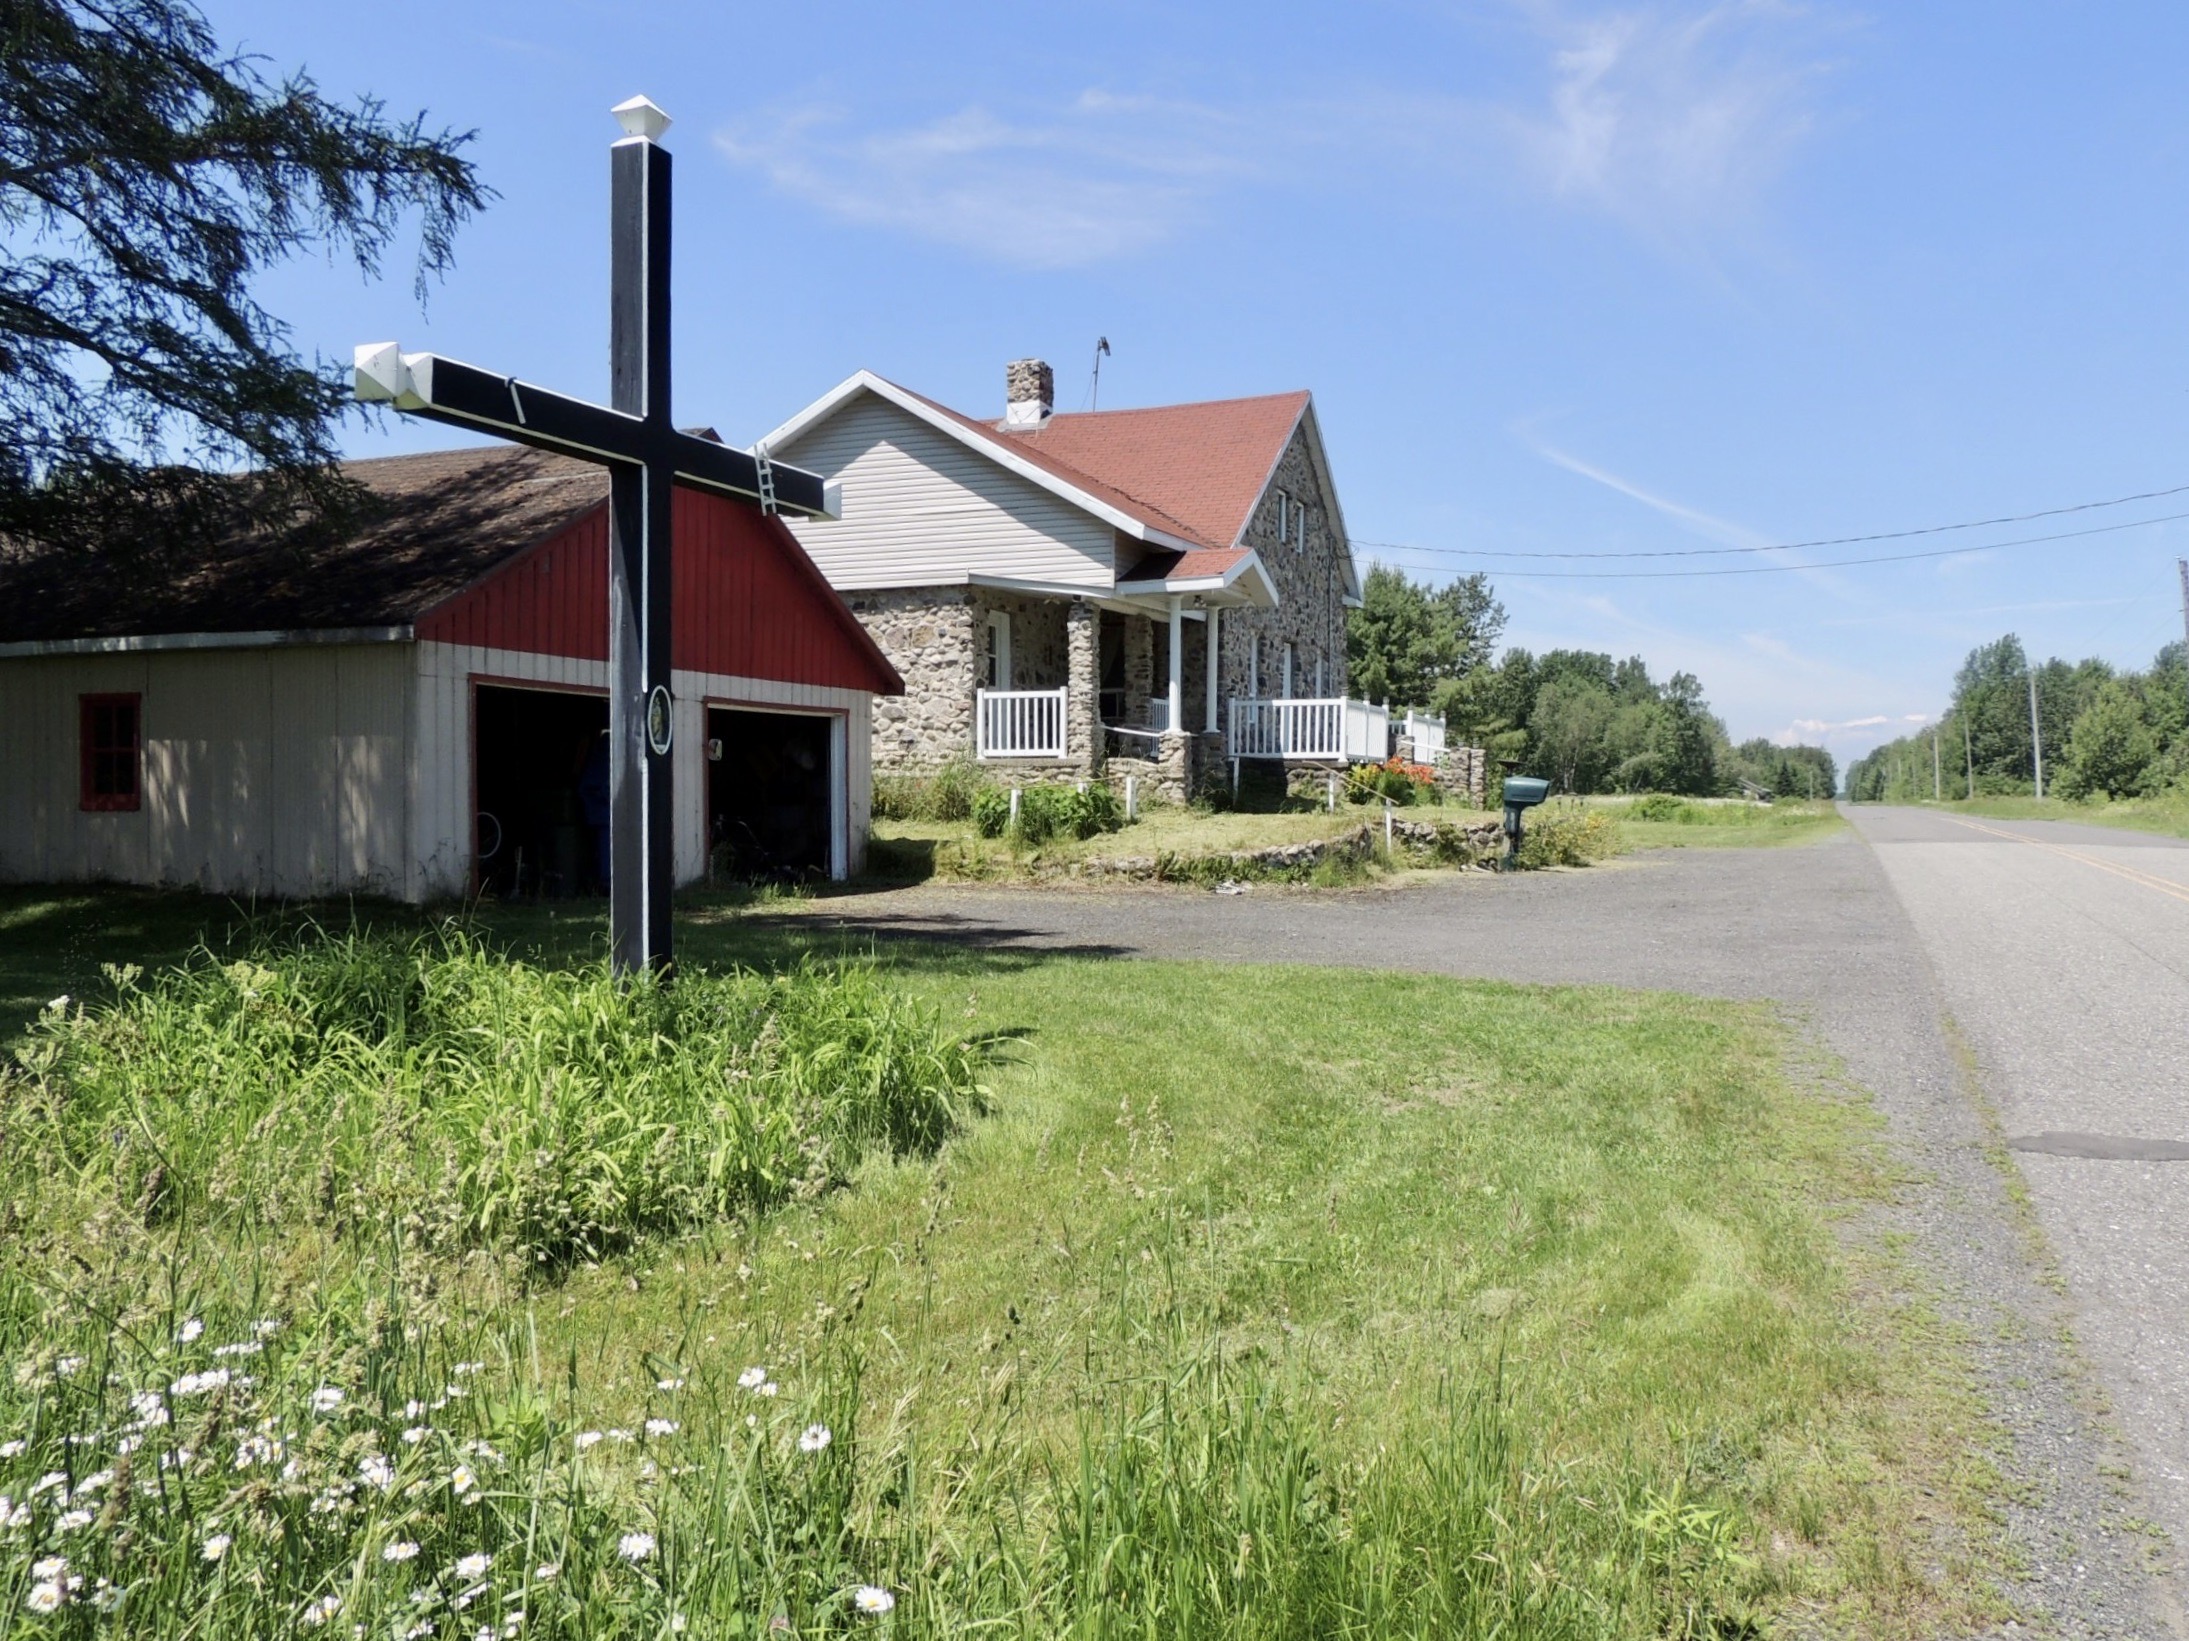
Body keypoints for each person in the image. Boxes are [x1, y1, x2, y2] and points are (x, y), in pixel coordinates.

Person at [577, 730, 612, 892]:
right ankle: (606, 883)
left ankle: (603, 881)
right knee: (605, 849)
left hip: (597, 814)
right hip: (605, 814)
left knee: (601, 849)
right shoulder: (605, 759)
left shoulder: (598, 758)